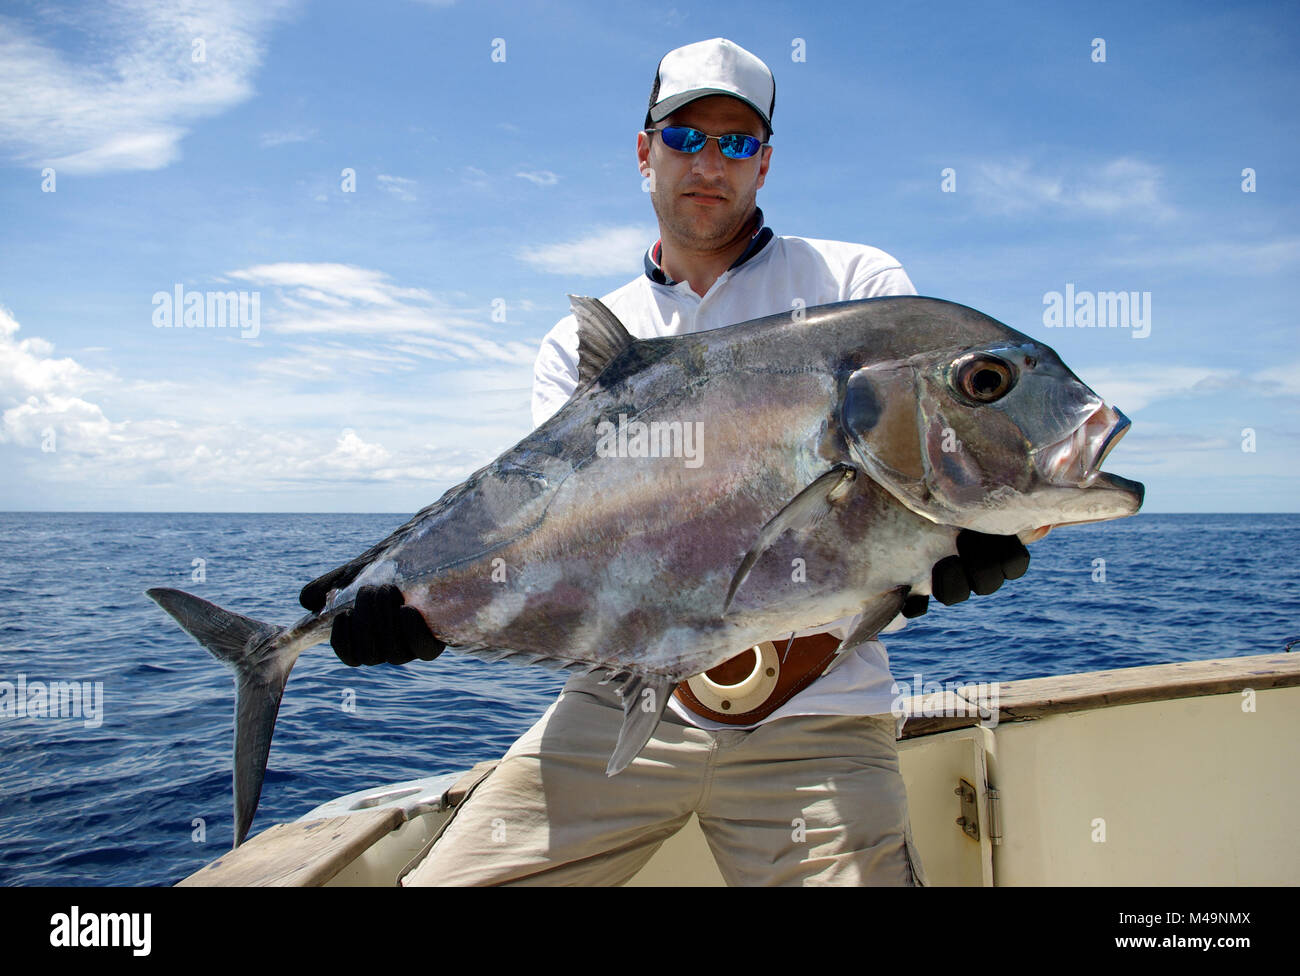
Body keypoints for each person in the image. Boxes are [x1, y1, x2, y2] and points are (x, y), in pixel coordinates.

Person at [315, 38, 1029, 886]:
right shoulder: (587, 340)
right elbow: (557, 532)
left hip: (821, 713)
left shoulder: (855, 284)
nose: (710, 162)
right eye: (686, 137)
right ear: (644, 152)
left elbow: (942, 459)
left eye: (736, 143)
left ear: (764, 164)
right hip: (621, 704)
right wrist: (424, 603)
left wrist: (966, 536)